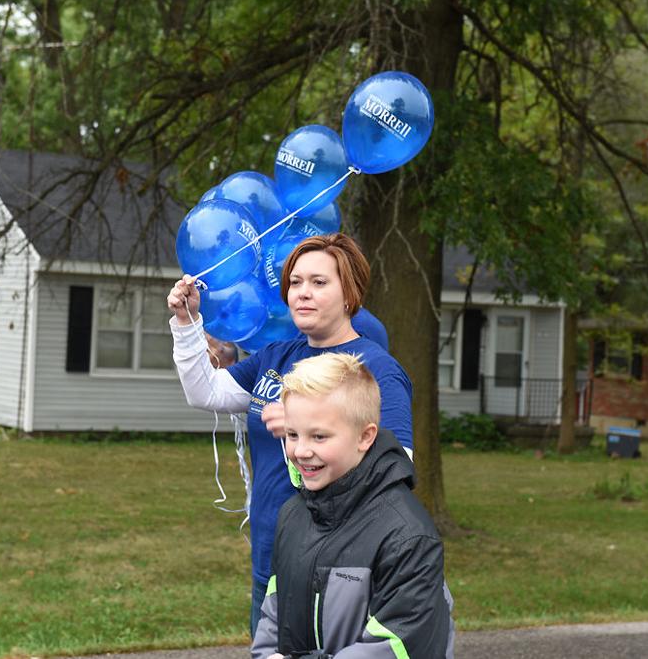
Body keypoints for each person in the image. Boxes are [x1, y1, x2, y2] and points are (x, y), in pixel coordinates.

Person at [167, 234, 414, 637]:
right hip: (271, 554)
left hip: (337, 567)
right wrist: (187, 324)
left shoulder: (375, 369)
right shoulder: (277, 356)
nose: (302, 293)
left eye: (319, 283)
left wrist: (302, 432)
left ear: (349, 291)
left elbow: (397, 468)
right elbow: (206, 391)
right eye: (295, 282)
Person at [252, 353, 453, 659]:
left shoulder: (406, 536)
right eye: (292, 435)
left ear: (365, 436)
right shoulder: (293, 514)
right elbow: (273, 613)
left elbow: (400, 645)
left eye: (319, 436)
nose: (301, 450)